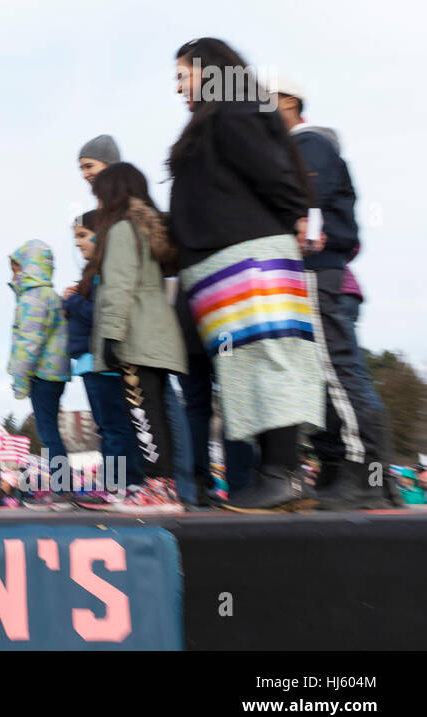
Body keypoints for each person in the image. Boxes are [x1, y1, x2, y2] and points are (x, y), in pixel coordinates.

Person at [168, 37, 325, 511]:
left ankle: (283, 474)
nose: (179, 88)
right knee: (248, 368)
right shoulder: (223, 112)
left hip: (248, 256)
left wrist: (297, 213)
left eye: (183, 76)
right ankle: (275, 474)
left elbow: (272, 170)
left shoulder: (234, 106)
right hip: (227, 261)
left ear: (209, 70)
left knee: (268, 360)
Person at [273, 78, 397, 509]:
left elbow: (308, 196)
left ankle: (366, 474)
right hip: (318, 269)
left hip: (317, 268)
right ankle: (352, 473)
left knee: (336, 372)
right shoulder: (303, 146)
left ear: (289, 101)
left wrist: (301, 229)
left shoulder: (308, 143)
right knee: (328, 377)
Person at [84, 163, 188, 510]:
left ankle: (158, 488)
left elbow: (118, 285)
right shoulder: (148, 230)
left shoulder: (121, 231)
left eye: (100, 197)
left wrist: (111, 335)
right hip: (156, 336)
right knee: (156, 412)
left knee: (142, 413)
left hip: (135, 337)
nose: (98, 205)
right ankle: (165, 485)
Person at [63, 209, 143, 493]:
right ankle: (120, 482)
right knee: (109, 427)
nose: (77, 243)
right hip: (91, 362)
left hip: (103, 363)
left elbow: (99, 313)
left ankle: (123, 483)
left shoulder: (103, 272)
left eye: (83, 235)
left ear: (101, 236)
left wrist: (72, 302)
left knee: (114, 426)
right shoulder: (92, 274)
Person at [6, 240, 71, 496]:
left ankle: (62, 487)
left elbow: (29, 343)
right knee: (50, 430)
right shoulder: (50, 295)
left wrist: (20, 381)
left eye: (15, 270)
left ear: (27, 267)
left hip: (42, 373)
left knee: (48, 433)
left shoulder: (33, 298)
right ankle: (62, 485)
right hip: (56, 372)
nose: (13, 276)